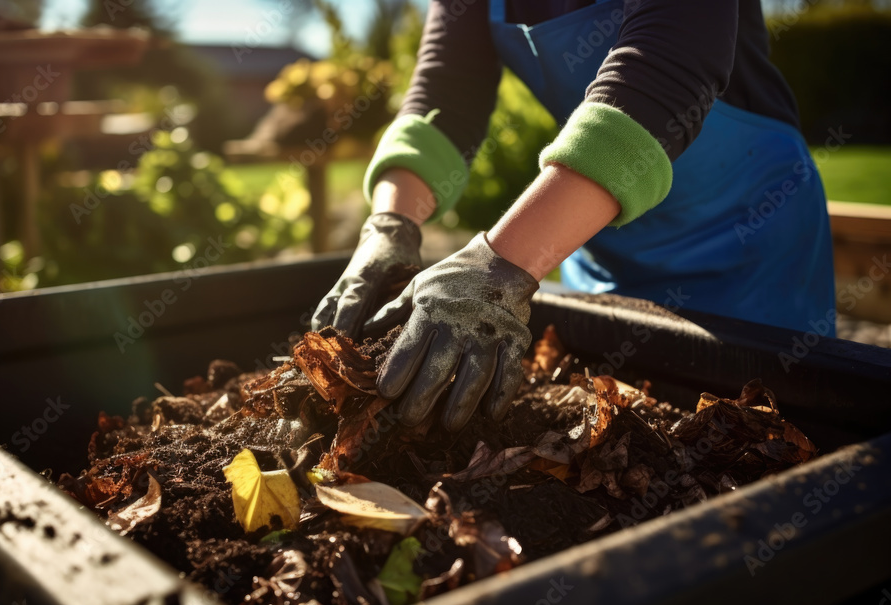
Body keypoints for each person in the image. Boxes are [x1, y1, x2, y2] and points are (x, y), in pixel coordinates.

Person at [311, 0, 835, 433]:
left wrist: (497, 269)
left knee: (759, 439)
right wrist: (390, 225)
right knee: (615, 435)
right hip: (595, 231)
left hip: (748, 237)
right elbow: (444, 95)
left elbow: (669, 69)